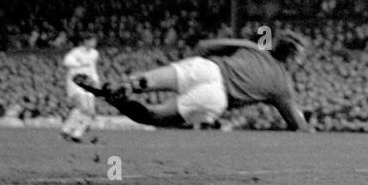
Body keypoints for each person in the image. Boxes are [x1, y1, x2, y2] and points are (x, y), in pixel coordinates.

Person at [77, 31, 311, 131]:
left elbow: (204, 46)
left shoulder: (253, 47)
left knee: (141, 81)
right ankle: (116, 99)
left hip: (208, 68)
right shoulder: (282, 85)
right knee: (152, 115)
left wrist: (196, 66)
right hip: (216, 96)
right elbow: (297, 124)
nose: (298, 64)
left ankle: (123, 87)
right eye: (298, 60)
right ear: (290, 57)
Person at [61, 33, 100, 143]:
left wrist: (96, 81)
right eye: (92, 41)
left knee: (91, 111)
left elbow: (93, 68)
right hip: (75, 82)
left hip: (89, 83)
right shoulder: (76, 52)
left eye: (95, 41)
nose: (94, 43)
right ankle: (66, 129)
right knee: (83, 107)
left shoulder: (94, 53)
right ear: (86, 41)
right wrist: (80, 63)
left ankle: (77, 134)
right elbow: (66, 61)